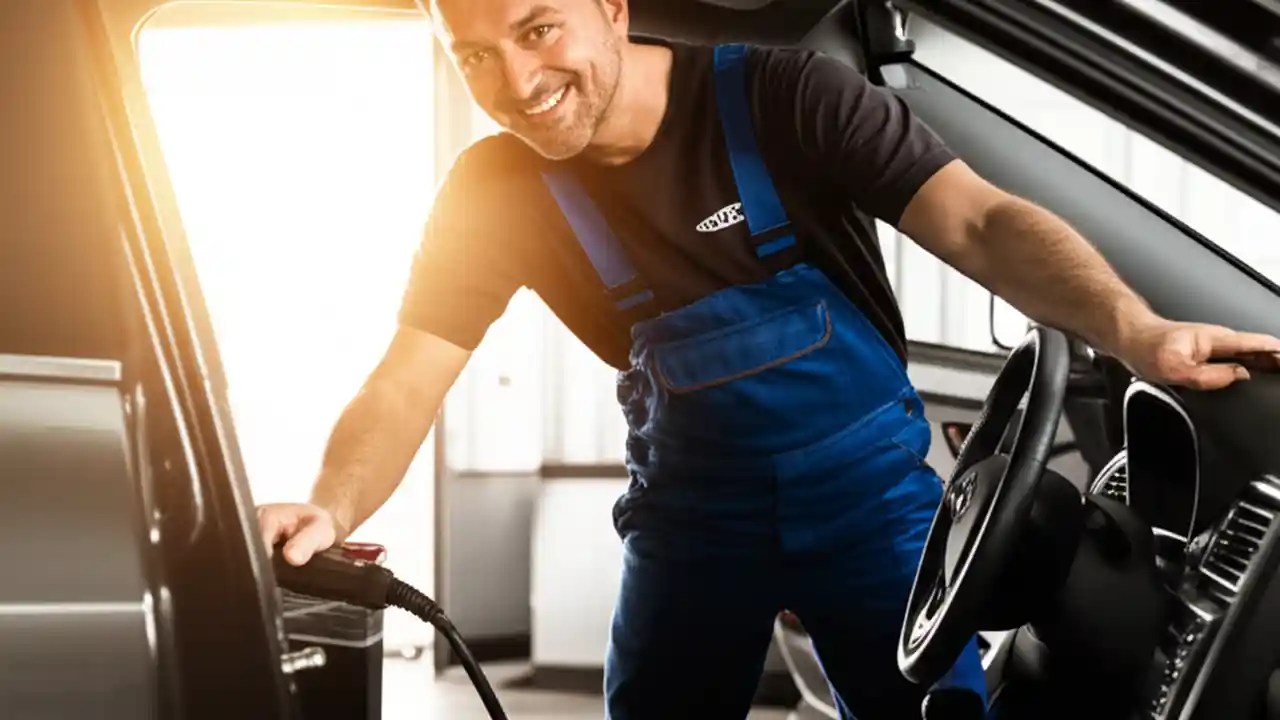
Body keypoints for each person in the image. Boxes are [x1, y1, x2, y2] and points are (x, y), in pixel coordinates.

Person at [257, 0, 1280, 717]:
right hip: (692, 526)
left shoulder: (785, 98)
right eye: (474, 56)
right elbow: (406, 376)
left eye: (535, 31)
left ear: (610, 7)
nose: (517, 84)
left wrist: (1134, 333)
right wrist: (332, 508)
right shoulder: (492, 193)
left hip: (874, 508)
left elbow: (979, 224)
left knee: (931, 713)